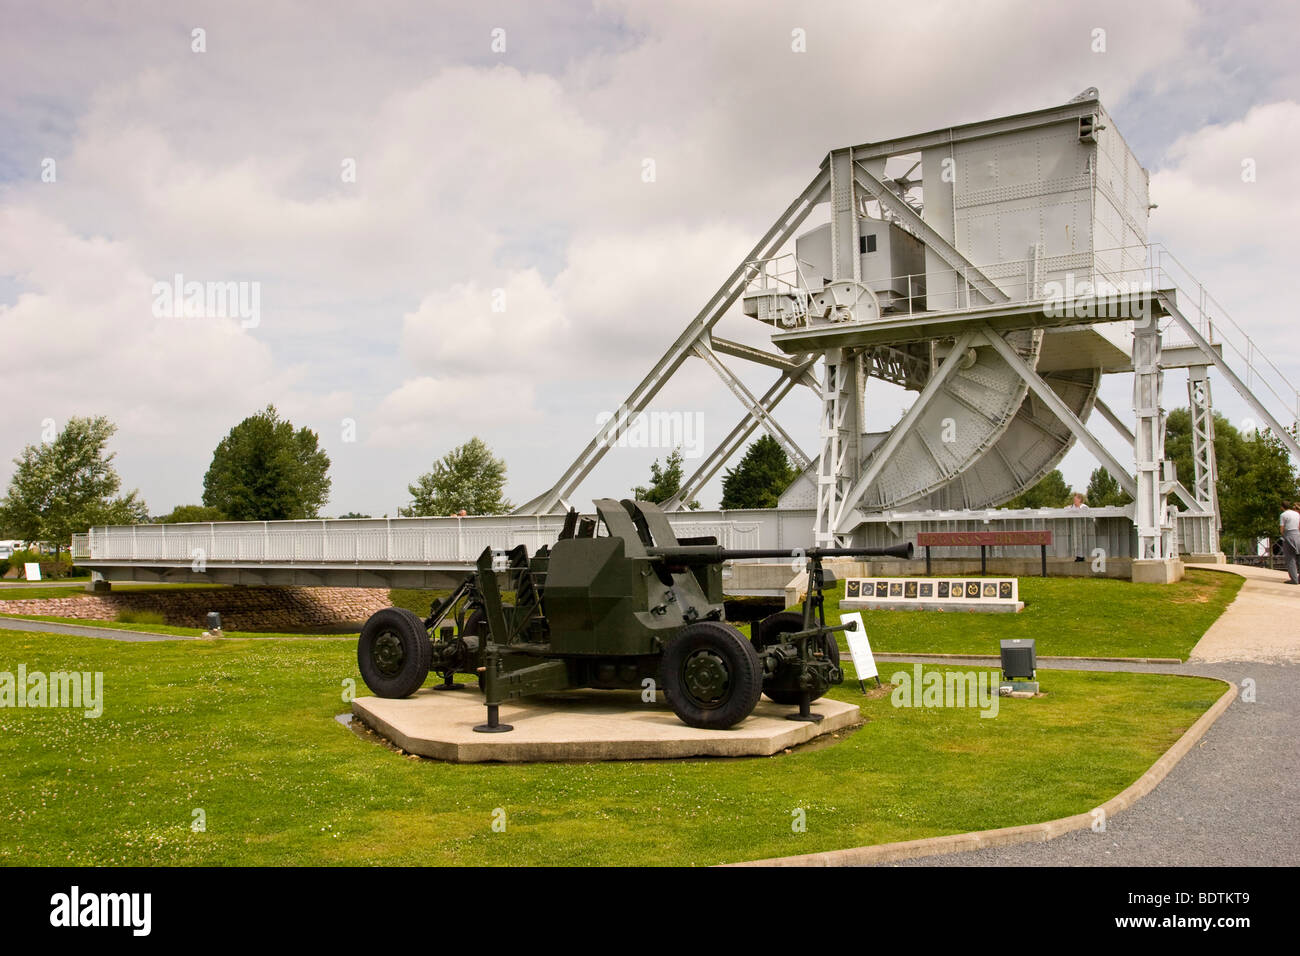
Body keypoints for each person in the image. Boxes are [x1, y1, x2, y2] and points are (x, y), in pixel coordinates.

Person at [1280, 502, 1300, 585]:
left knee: (1290, 558)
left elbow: (1282, 528)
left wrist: (1283, 535)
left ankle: (1294, 580)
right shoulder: (1297, 514)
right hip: (1297, 535)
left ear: (1282, 507)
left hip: (1288, 534)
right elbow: (1298, 526)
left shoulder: (1283, 515)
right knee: (1299, 558)